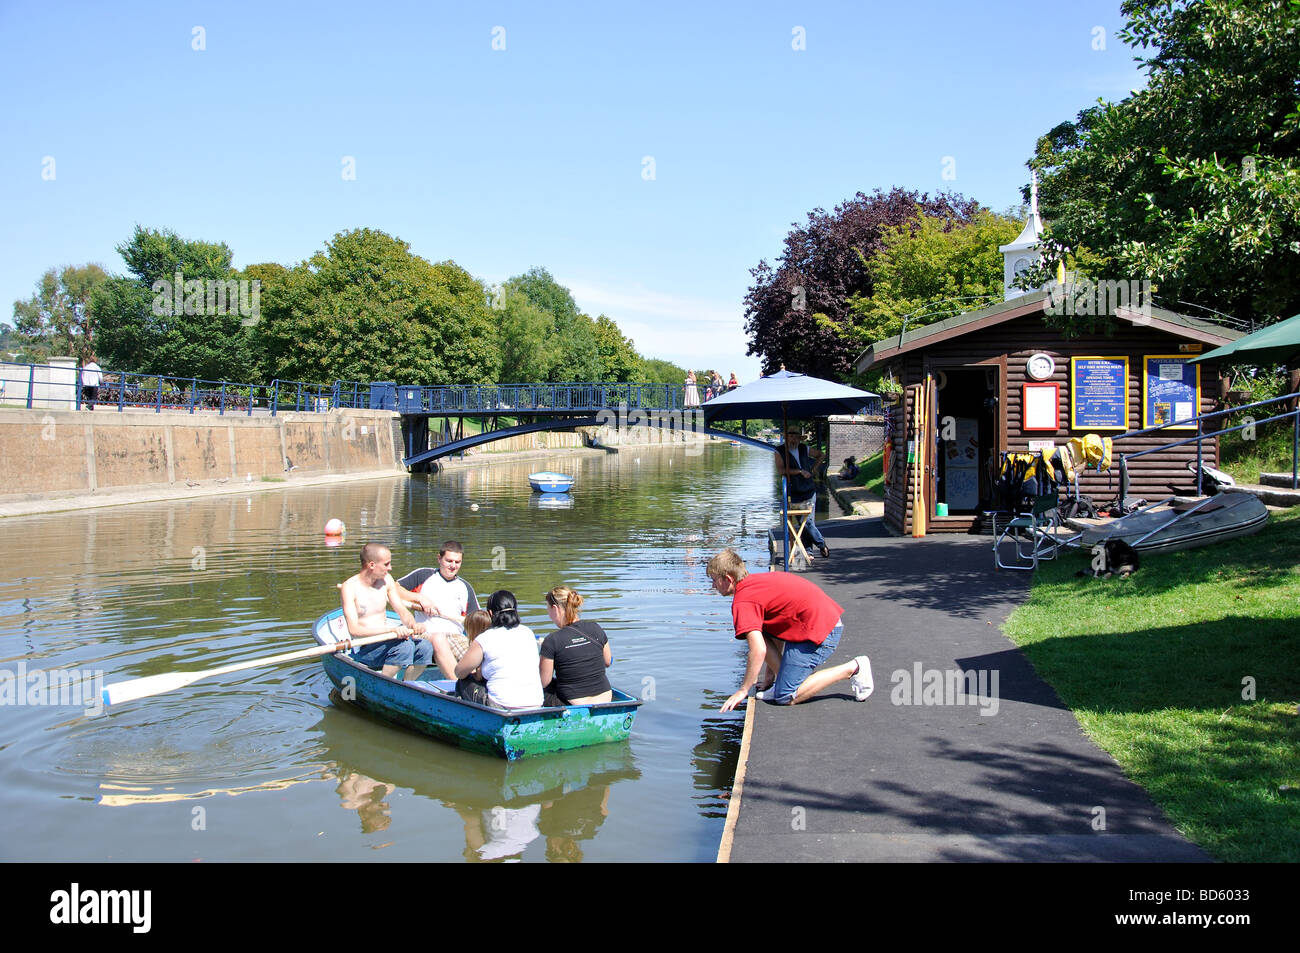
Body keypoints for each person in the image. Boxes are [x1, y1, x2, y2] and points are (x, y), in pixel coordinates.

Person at [706, 548, 871, 711]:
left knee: (786, 696)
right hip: (815, 622)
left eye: (714, 580)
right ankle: (779, 682)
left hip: (822, 631)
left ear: (728, 579)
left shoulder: (743, 602)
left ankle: (853, 667)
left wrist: (743, 690)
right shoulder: (755, 583)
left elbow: (758, 650)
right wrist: (770, 677)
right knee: (757, 630)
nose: (713, 586)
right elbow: (774, 630)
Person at [339, 542, 431, 679]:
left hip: (387, 640)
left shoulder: (386, 580)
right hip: (365, 647)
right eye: (386, 564)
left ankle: (407, 685)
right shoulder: (350, 588)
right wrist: (391, 630)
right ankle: (384, 684)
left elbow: (402, 611)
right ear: (371, 565)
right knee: (404, 647)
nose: (390, 568)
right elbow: (354, 630)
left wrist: (413, 625)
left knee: (425, 647)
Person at [398, 541, 479, 679]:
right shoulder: (423, 575)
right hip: (425, 633)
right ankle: (458, 688)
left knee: (476, 658)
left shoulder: (465, 587)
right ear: (439, 558)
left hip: (456, 636)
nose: (453, 566)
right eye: (449, 561)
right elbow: (393, 589)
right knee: (439, 639)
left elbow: (476, 622)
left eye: (457, 562)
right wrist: (419, 598)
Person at [454, 590, 543, 709]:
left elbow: (459, 672)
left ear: (490, 613)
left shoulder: (484, 638)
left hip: (502, 705)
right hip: (536, 702)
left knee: (463, 682)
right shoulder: (528, 632)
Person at [539, 586, 612, 706]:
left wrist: (545, 652)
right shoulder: (596, 628)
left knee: (541, 690)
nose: (549, 616)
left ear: (555, 609)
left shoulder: (551, 640)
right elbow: (608, 661)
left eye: (548, 610)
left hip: (574, 703)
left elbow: (544, 682)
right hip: (605, 698)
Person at [775, 425, 830, 559]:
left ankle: (810, 551)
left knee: (808, 521)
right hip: (793, 491)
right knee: (803, 522)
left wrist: (814, 469)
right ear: (786, 437)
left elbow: (821, 455)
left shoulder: (804, 448)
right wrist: (799, 471)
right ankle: (821, 544)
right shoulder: (779, 451)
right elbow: (781, 470)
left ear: (800, 438)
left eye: (796, 437)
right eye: (791, 436)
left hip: (809, 490)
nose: (793, 439)